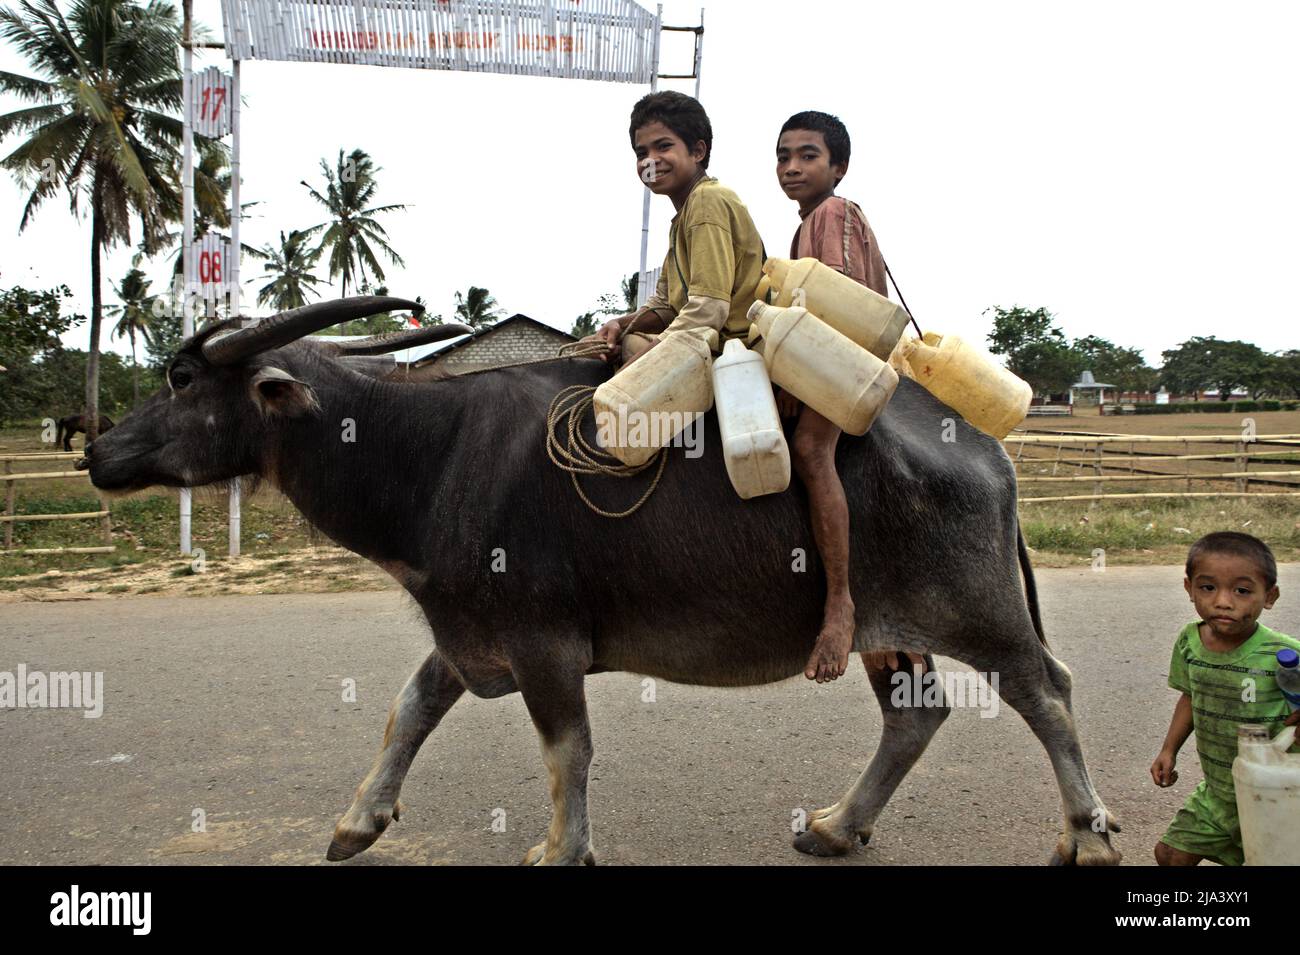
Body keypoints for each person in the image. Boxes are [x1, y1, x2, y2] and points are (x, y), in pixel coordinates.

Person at [774, 110, 924, 683]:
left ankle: (841, 603)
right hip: (832, 361)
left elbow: (829, 304)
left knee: (812, 452)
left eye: (807, 156)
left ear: (839, 166)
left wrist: (792, 378)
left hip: (841, 363)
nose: (792, 167)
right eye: (784, 156)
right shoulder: (814, 218)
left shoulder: (833, 212)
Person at [1152, 531, 1300, 865]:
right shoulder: (1189, 642)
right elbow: (1190, 698)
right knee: (1169, 854)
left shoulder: (1284, 653)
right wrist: (1168, 750)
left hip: (1275, 789)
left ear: (1270, 596)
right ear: (1189, 588)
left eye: (1242, 591)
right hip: (1219, 791)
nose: (1223, 601)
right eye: (1208, 587)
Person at [590, 91, 764, 367]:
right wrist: (619, 324)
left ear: (698, 151)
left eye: (663, 146)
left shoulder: (707, 201)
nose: (650, 160)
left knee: (622, 370)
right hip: (712, 347)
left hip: (734, 354)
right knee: (607, 345)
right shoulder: (683, 217)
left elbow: (708, 310)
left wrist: (638, 364)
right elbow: (666, 306)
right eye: (641, 153)